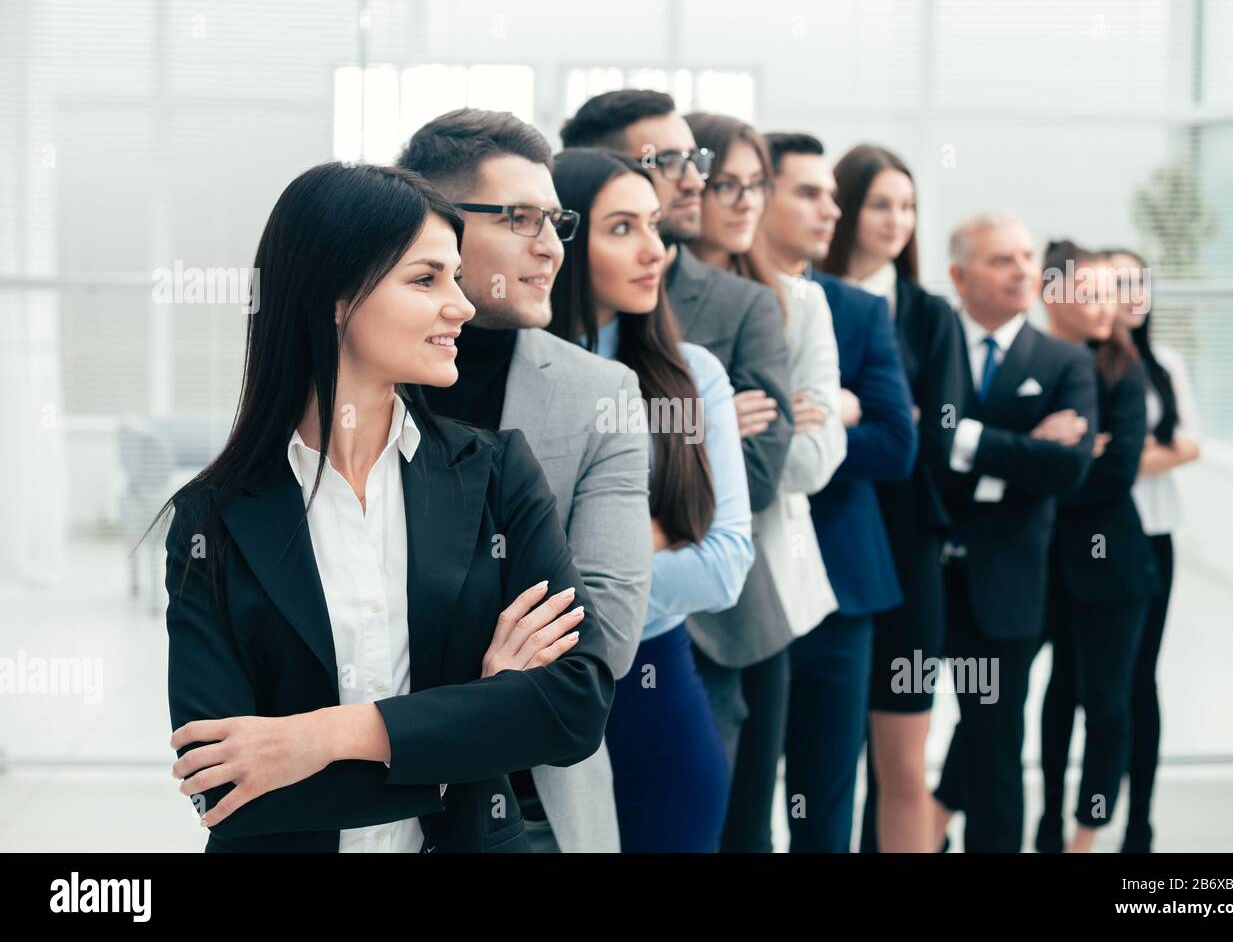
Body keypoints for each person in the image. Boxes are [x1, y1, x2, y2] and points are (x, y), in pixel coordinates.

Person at [154, 162, 612, 852]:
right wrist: (478, 721)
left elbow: (575, 705)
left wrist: (321, 736)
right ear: (335, 295)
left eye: (455, 278)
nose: (459, 304)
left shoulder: (496, 476)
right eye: (426, 279)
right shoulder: (211, 520)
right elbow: (226, 788)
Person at [396, 109, 653, 853]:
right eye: (518, 218)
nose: (548, 248)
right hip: (356, 796)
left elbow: (603, 633)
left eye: (555, 221)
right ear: (435, 227)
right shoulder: (357, 383)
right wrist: (489, 666)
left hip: (534, 799)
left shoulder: (599, 391)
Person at [561, 91, 795, 853]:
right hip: (536, 704)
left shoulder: (692, 374)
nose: (655, 250)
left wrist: (571, 582)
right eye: (623, 229)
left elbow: (724, 564)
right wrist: (644, 545)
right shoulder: (514, 375)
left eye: (653, 229)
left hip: (660, 695)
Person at [684, 112, 844, 851]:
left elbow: (798, 462)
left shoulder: (790, 300)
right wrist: (716, 420)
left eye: (756, 185)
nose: (745, 201)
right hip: (660, 592)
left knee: (749, 820)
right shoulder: (640, 291)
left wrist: (801, 424)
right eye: (727, 185)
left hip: (759, 594)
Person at [763, 131, 916, 851]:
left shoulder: (856, 310)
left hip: (843, 582)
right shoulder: (703, 300)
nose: (832, 209)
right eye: (810, 193)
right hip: (745, 579)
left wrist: (813, 430)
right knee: (735, 793)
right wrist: (820, 408)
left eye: (833, 195)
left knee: (824, 802)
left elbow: (897, 444)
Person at [930, 213, 1098, 853]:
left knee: (995, 749)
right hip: (917, 575)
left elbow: (1067, 467)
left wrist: (964, 442)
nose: (1024, 270)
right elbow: (917, 448)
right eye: (1003, 259)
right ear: (959, 275)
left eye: (1028, 257)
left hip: (1005, 590)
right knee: (889, 740)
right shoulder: (929, 343)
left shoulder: (1062, 361)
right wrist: (1016, 451)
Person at [821, 143, 965, 852]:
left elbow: (926, 440)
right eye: (881, 203)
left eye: (907, 206)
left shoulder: (929, 315)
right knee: (822, 762)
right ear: (843, 206)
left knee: (903, 760)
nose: (897, 220)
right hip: (821, 540)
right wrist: (874, 418)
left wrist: (847, 416)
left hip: (909, 550)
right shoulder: (798, 297)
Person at [1035, 241, 1159, 853]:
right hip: (1046, 564)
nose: (1107, 305)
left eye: (1111, 292)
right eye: (1091, 293)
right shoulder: (1042, 363)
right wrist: (1058, 457)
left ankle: (1087, 837)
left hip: (1115, 571)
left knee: (1106, 704)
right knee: (1056, 697)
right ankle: (1047, 823)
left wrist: (1053, 469)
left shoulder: (1123, 368)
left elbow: (1118, 471)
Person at [1107, 246, 1201, 854]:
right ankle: (1067, 820)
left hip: (1153, 536)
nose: (1131, 295)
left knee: (1141, 678)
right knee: (1077, 682)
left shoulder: (1164, 362)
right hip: (1091, 540)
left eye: (1140, 284)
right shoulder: (1082, 360)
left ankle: (1138, 821)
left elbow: (1191, 445)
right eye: (1118, 283)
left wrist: (1117, 459)